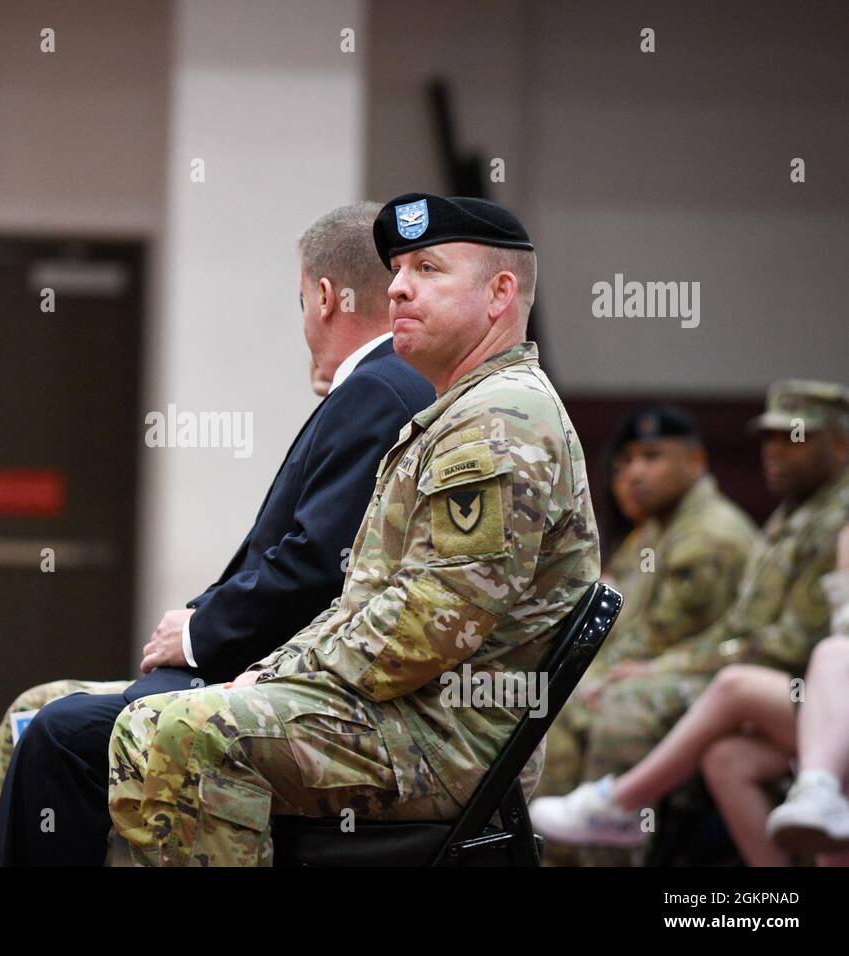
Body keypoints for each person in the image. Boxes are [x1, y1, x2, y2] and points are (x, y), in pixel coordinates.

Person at [106, 192, 601, 866]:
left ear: (500, 294)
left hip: (444, 739)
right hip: (409, 719)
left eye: (428, 269)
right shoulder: (460, 413)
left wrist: (277, 678)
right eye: (397, 270)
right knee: (157, 724)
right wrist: (273, 671)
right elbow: (367, 606)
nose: (397, 287)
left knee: (181, 736)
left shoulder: (497, 422)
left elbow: (428, 625)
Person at [0, 201, 435, 866]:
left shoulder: (379, 389)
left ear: (327, 297)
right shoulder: (388, 386)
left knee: (57, 735)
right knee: (39, 717)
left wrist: (196, 632)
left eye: (301, 301)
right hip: (284, 677)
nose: (303, 323)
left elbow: (315, 568)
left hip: (290, 688)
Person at [530, 381, 849, 863]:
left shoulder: (821, 521)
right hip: (778, 684)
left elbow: (788, 643)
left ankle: (606, 833)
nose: (775, 452)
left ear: (840, 444)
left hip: (801, 686)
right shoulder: (795, 514)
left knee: (624, 707)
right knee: (564, 698)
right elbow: (731, 631)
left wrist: (656, 670)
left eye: (794, 437)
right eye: (769, 439)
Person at [536, 406, 757, 800]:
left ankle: (593, 849)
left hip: (697, 673)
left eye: (652, 457)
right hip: (656, 669)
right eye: (627, 460)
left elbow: (660, 638)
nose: (634, 473)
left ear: (695, 460)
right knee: (544, 696)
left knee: (580, 704)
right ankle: (552, 848)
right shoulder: (656, 528)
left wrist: (592, 676)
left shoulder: (708, 535)